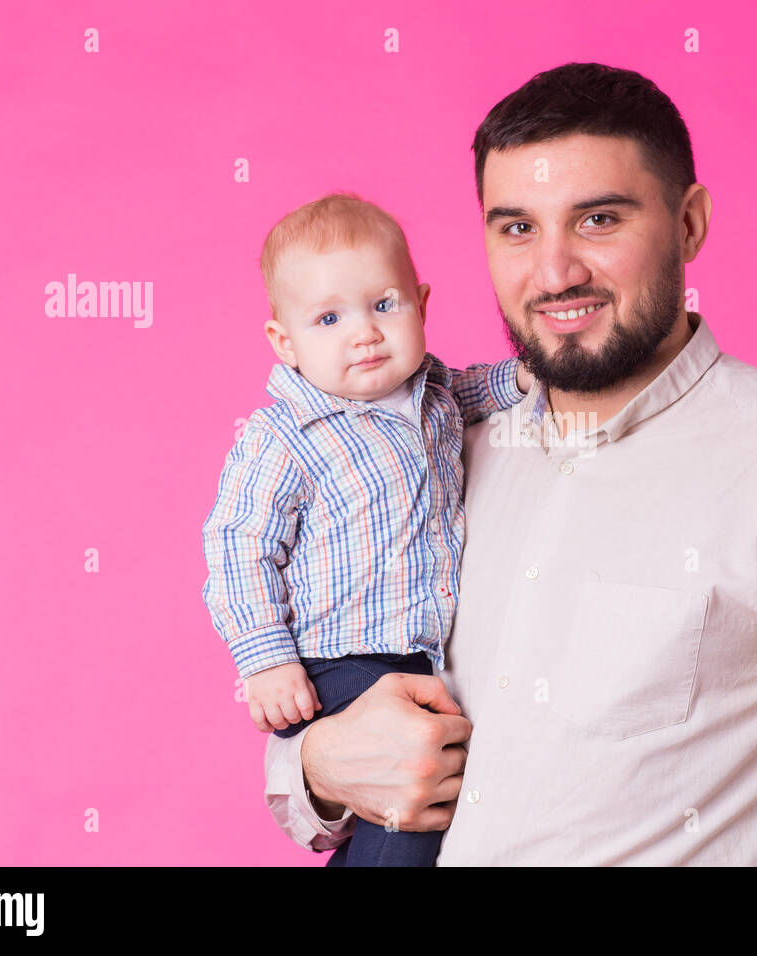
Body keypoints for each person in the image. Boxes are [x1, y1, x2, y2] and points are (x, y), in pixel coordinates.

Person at [263, 62, 757, 865]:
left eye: (598, 219)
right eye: (517, 227)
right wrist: (315, 767)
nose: (555, 273)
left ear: (689, 224)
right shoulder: (440, 452)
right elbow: (344, 738)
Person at [201, 192, 531, 865]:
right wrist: (265, 657)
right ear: (285, 342)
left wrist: (525, 376)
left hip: (419, 653)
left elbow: (475, 390)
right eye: (329, 318)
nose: (365, 333)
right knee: (413, 813)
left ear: (422, 304)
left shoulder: (432, 390)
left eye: (385, 305)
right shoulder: (286, 436)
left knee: (405, 812)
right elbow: (238, 544)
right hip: (343, 657)